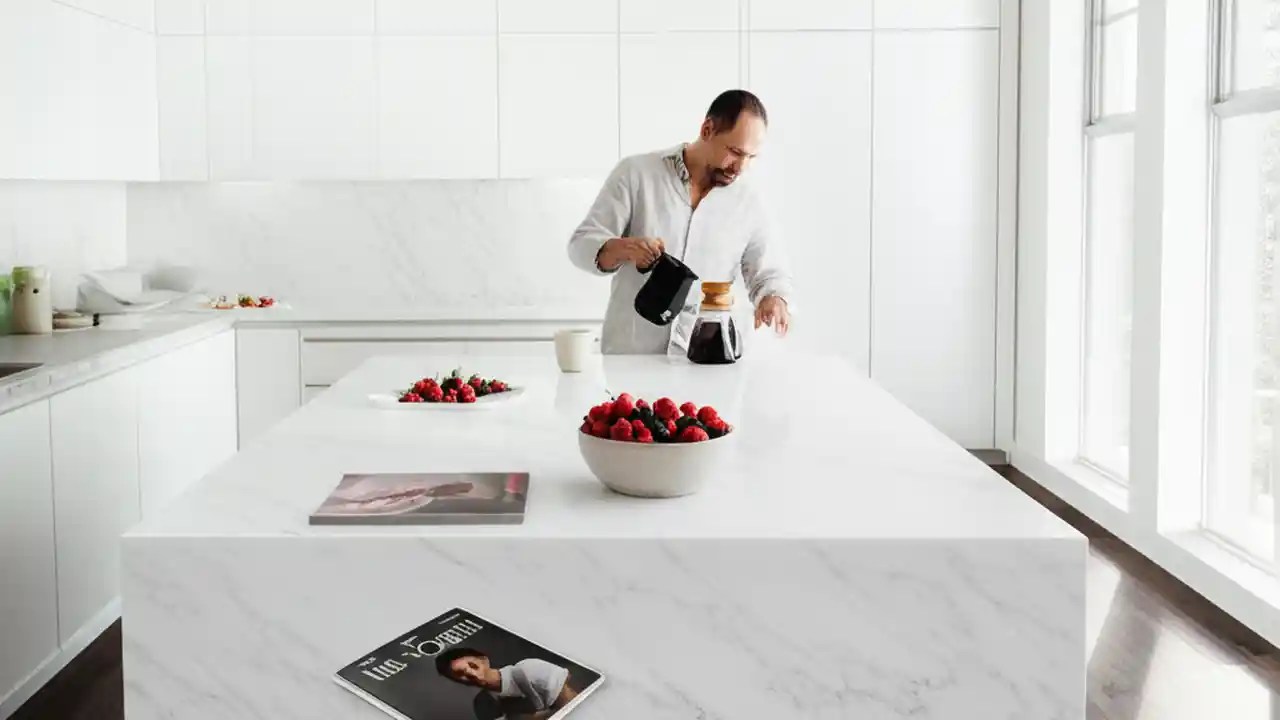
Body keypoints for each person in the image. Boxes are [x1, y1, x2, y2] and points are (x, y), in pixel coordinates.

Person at [568, 89, 794, 355]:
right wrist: (622, 248)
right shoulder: (636, 174)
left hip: (709, 363)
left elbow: (769, 274)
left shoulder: (749, 202)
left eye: (751, 157)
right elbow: (580, 245)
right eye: (734, 152)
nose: (740, 167)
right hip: (631, 362)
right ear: (707, 129)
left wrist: (774, 298)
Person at [435, 647, 578, 720]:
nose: (472, 674)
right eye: (461, 674)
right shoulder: (482, 704)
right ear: (459, 682)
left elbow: (572, 702)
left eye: (473, 666)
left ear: (484, 660)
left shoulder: (529, 668)